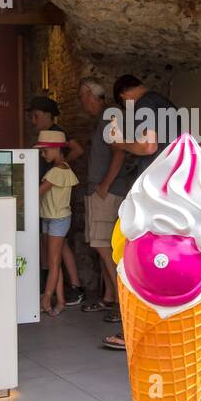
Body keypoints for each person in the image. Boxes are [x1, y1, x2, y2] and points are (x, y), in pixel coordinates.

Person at [102, 75, 178, 350]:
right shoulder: (165, 104)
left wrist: (120, 144)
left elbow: (148, 145)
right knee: (165, 261)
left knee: (140, 258)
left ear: (124, 95)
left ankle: (134, 331)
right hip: (170, 192)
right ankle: (160, 328)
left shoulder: (147, 104)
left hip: (156, 194)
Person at [77, 77, 130, 322]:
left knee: (103, 245)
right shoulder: (106, 118)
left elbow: (119, 150)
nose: (81, 102)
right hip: (102, 190)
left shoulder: (111, 115)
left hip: (107, 192)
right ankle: (109, 296)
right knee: (101, 242)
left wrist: (104, 185)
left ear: (90, 94)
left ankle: (121, 302)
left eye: (81, 96)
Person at [27, 94, 85, 306]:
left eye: (35, 116)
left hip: (55, 212)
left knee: (56, 255)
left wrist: (58, 170)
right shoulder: (58, 168)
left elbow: (76, 149)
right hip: (50, 212)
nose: (42, 154)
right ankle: (60, 298)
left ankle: (49, 296)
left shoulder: (57, 143)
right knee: (56, 254)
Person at [36, 129, 79, 316]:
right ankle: (60, 301)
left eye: (45, 150)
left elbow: (37, 192)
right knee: (56, 262)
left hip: (57, 220)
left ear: (55, 149)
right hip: (51, 218)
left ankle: (46, 299)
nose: (42, 154)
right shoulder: (64, 168)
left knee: (52, 263)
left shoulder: (56, 172)